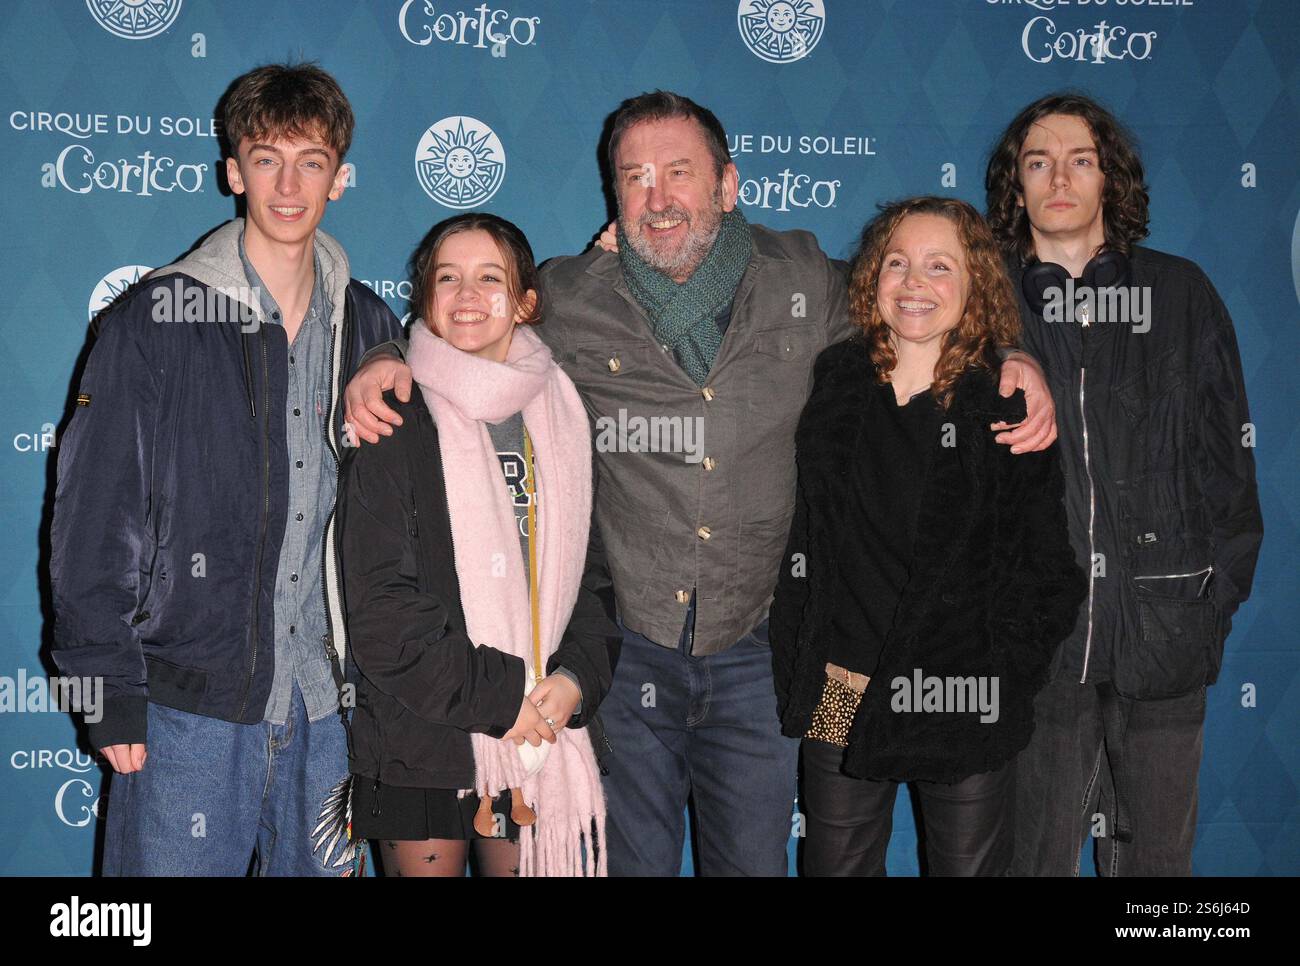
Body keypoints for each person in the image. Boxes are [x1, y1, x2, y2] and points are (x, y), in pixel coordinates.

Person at [343, 91, 1059, 877]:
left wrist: (1012, 351)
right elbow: (467, 328)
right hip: (631, 657)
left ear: (728, 185)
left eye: (679, 173)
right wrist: (382, 356)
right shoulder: (571, 295)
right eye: (635, 177)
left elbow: (921, 294)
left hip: (762, 653)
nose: (657, 198)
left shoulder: (807, 281)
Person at [49, 63, 404, 876]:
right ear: (232, 171)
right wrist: (105, 690)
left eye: (310, 161)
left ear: (340, 178)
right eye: (266, 157)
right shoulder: (156, 319)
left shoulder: (373, 327)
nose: (288, 184)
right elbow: (95, 516)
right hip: (188, 709)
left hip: (330, 710)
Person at [984, 93, 1264, 876]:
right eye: (1037, 163)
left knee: (1157, 876)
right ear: (1017, 186)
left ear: (1111, 178)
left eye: (1080, 159)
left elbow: (1229, 472)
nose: (1059, 177)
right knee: (1031, 863)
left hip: (1165, 636)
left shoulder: (1181, 296)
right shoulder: (984, 305)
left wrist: (1209, 608)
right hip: (1041, 647)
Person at [770, 196, 1085, 876]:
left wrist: (1001, 676)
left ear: (974, 286)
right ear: (871, 278)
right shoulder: (837, 379)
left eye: (939, 267)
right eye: (898, 263)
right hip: (838, 687)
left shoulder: (1004, 401)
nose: (914, 283)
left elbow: (1050, 571)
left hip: (959, 694)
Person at [339, 213, 619, 877]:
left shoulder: (564, 415)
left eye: (489, 278)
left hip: (538, 741)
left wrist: (575, 678)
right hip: (423, 738)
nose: (466, 295)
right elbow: (380, 609)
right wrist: (501, 702)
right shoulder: (393, 411)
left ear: (525, 300)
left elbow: (595, 580)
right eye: (448, 278)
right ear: (426, 298)